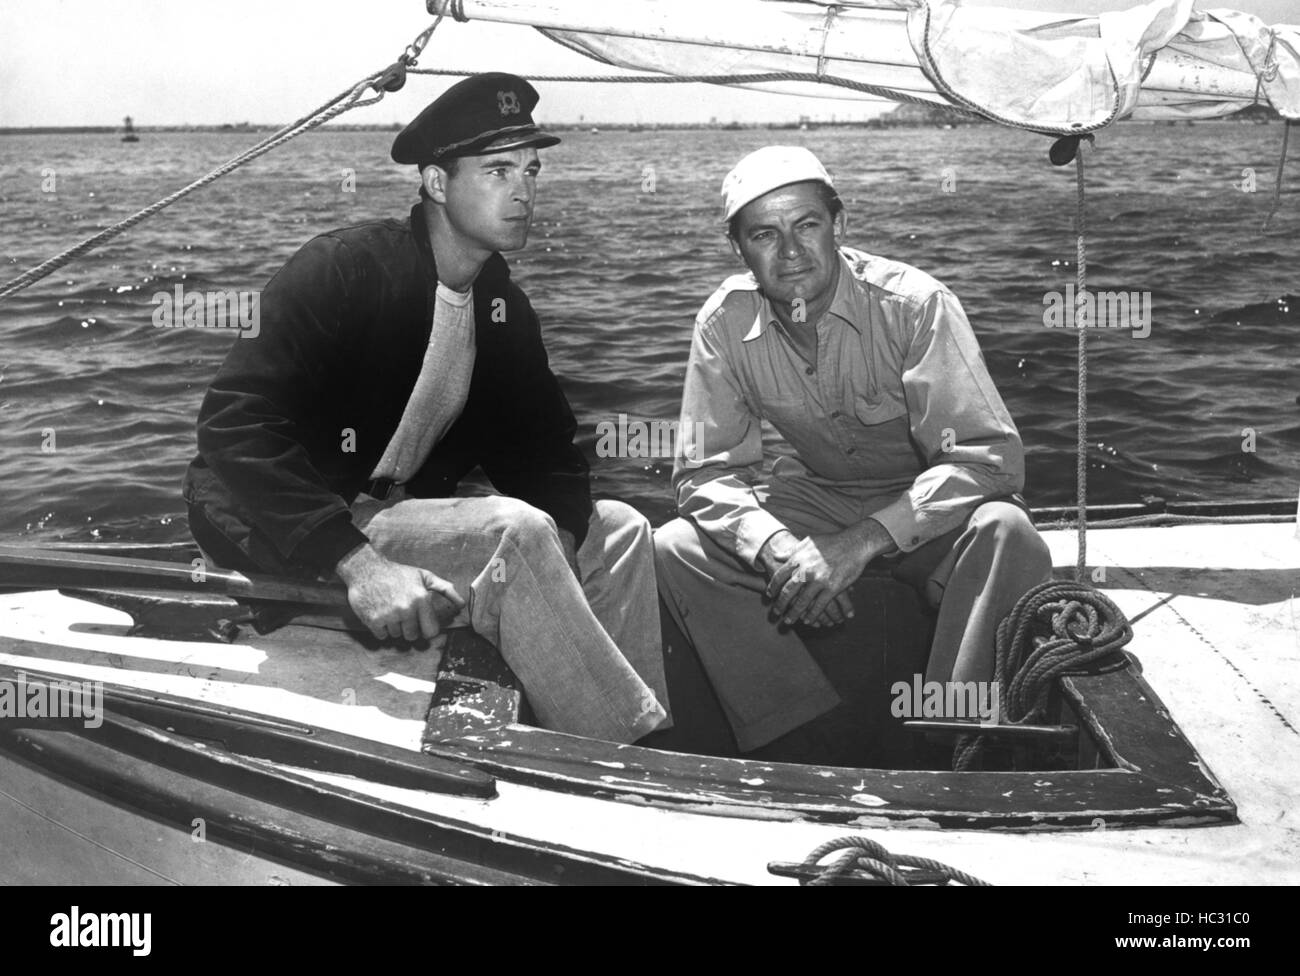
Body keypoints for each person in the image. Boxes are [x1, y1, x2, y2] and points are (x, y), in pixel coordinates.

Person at [182, 73, 668, 744]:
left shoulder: (501, 308)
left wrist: (571, 536)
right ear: (437, 183)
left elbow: (546, 451)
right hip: (286, 520)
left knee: (617, 527)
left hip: (392, 511)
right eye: (498, 170)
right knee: (513, 530)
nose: (524, 189)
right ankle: (626, 761)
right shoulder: (346, 270)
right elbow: (235, 424)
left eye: (530, 169)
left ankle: (611, 731)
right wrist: (359, 565)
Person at [654, 146, 1051, 753]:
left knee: (1008, 533)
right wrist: (781, 550)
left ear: (841, 225)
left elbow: (988, 458)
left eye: (807, 225)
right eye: (765, 234)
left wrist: (856, 545)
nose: (790, 252)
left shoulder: (916, 304)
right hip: (815, 499)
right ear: (738, 249)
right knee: (674, 545)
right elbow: (703, 475)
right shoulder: (722, 323)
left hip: (926, 505)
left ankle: (955, 740)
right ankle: (795, 734)